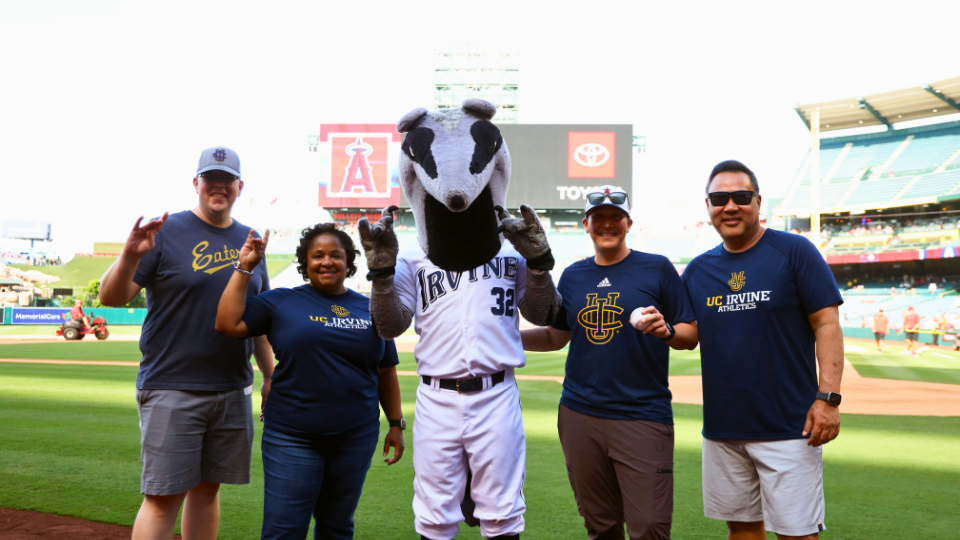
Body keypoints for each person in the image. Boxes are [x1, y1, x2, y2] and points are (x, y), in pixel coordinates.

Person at [99, 147, 275, 540]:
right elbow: (112, 298)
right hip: (172, 385)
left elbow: (257, 319)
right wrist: (129, 254)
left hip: (231, 389)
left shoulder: (250, 242)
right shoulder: (166, 233)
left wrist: (269, 375)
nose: (219, 186)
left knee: (207, 491)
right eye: (210, 178)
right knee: (162, 499)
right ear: (195, 184)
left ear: (239, 187)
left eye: (227, 179)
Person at [520, 187, 697, 540]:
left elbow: (689, 335)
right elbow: (556, 337)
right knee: (600, 526)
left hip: (641, 414)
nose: (607, 225)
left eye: (615, 218)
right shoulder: (573, 275)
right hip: (580, 413)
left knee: (649, 527)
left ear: (628, 223)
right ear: (586, 225)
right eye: (598, 218)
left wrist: (665, 330)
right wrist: (500, 340)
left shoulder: (657, 268)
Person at [682, 160, 844, 540]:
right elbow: (687, 336)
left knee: (797, 533)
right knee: (741, 530)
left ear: (757, 201)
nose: (731, 206)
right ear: (708, 205)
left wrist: (829, 399)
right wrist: (661, 327)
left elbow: (827, 324)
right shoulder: (698, 270)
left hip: (789, 426)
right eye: (720, 198)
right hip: (723, 428)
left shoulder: (794, 251)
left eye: (741, 196)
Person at [216, 223, 404, 540]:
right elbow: (227, 322)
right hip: (293, 436)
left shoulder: (371, 307)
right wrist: (244, 269)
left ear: (348, 262)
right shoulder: (282, 301)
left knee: (337, 526)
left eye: (335, 255)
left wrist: (396, 423)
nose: (326, 261)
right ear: (305, 262)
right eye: (317, 255)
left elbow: (386, 370)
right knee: (284, 530)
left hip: (355, 437)